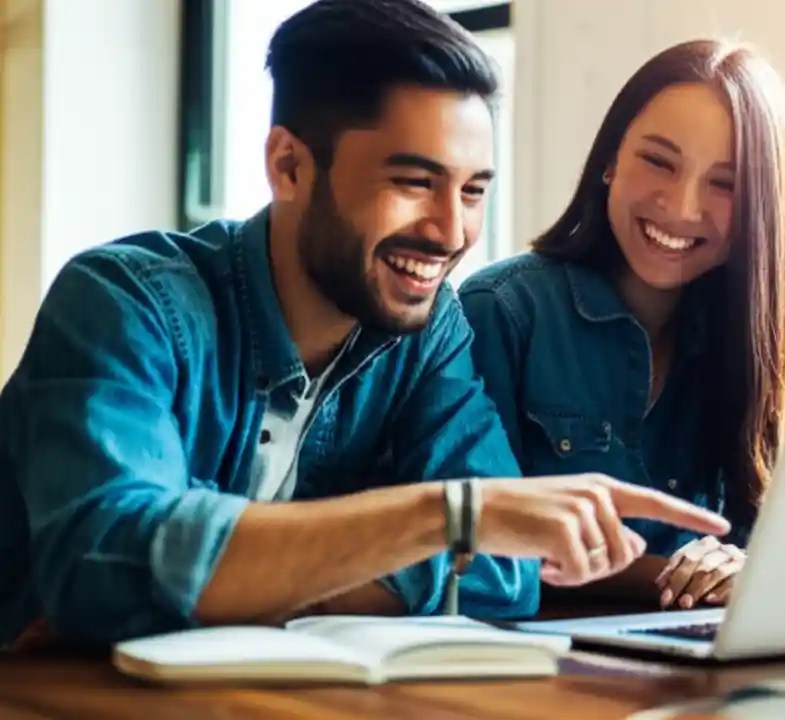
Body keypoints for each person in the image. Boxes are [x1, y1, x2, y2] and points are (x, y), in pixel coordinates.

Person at [0, 0, 728, 648]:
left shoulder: (427, 330)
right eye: (413, 183)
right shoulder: (125, 302)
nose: (451, 232)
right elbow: (101, 565)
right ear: (288, 167)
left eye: (472, 190)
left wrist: (233, 583)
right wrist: (447, 515)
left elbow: (503, 578)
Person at [459, 39, 785, 612]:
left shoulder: (765, 342)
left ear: (759, 207)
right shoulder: (502, 310)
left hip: (707, 666)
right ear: (609, 160)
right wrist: (701, 579)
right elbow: (484, 550)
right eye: (658, 161)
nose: (682, 205)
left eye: (725, 183)